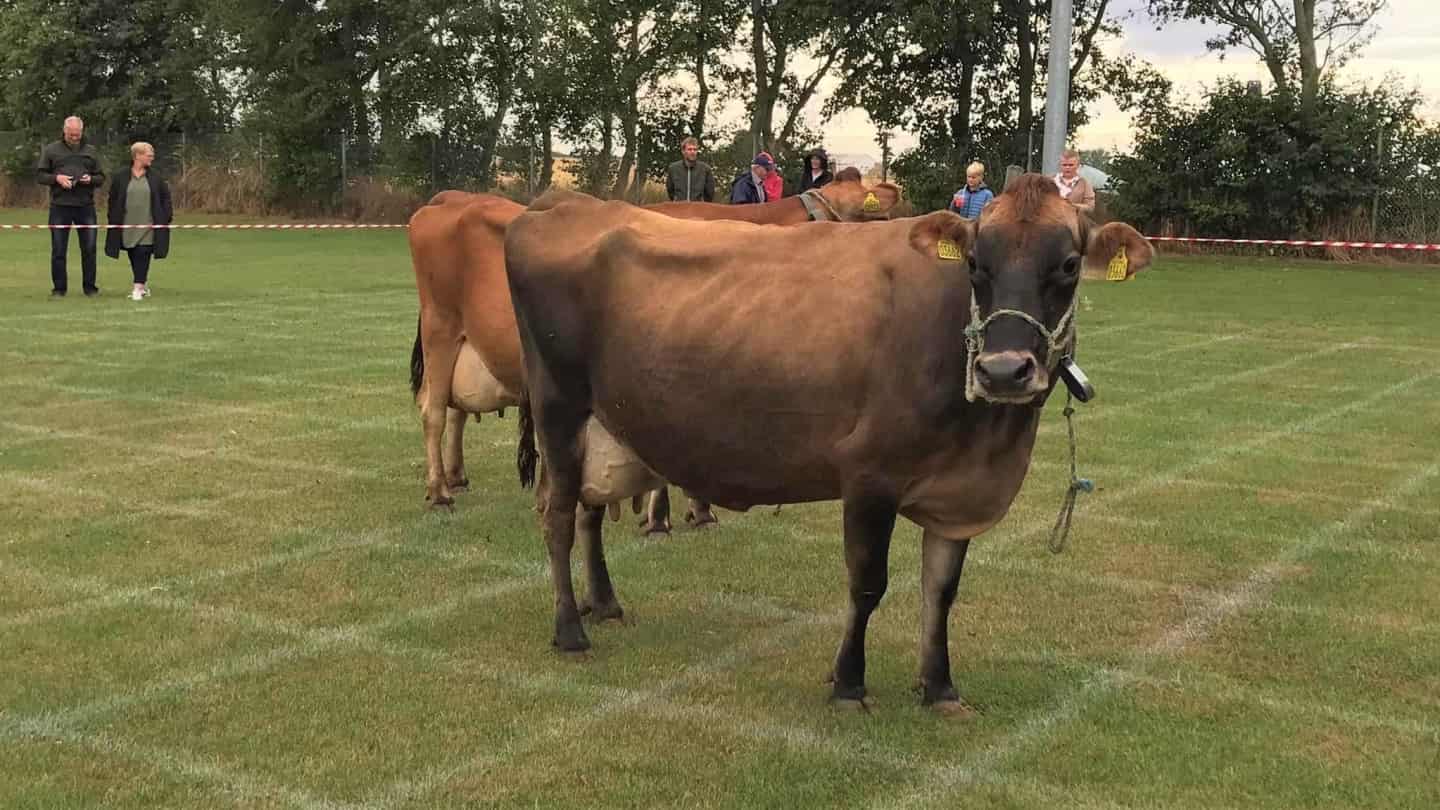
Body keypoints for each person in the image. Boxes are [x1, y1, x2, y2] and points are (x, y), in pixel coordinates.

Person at [36, 116, 105, 297]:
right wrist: (57, 178)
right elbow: (40, 175)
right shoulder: (51, 150)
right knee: (59, 249)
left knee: (89, 249)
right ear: (64, 131)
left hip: (85, 206)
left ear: (82, 132)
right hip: (60, 206)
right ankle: (59, 289)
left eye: (77, 134)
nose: (74, 138)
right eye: (71, 135)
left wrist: (90, 179)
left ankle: (90, 288)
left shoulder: (91, 151)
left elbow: (101, 178)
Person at [105, 142, 173, 301]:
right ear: (137, 156)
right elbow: (113, 199)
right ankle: (142, 282)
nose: (152, 158)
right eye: (149, 155)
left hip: (148, 223)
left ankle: (138, 287)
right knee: (133, 253)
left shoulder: (156, 177)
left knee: (143, 252)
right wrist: (113, 217)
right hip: (127, 223)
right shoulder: (121, 176)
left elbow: (165, 198)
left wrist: (165, 217)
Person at [665, 137, 715, 202]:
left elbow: (709, 193)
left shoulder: (705, 169)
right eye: (689, 149)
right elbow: (670, 190)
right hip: (680, 206)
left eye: (695, 149)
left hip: (698, 206)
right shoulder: (673, 168)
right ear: (683, 151)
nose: (692, 152)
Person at [1054, 149, 1096, 215]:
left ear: (1077, 165)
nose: (1067, 167)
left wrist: (1072, 205)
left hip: (1073, 219)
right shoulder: (1051, 181)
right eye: (1064, 165)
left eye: (1071, 165)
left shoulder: (1084, 184)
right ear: (1060, 165)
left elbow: (1090, 207)